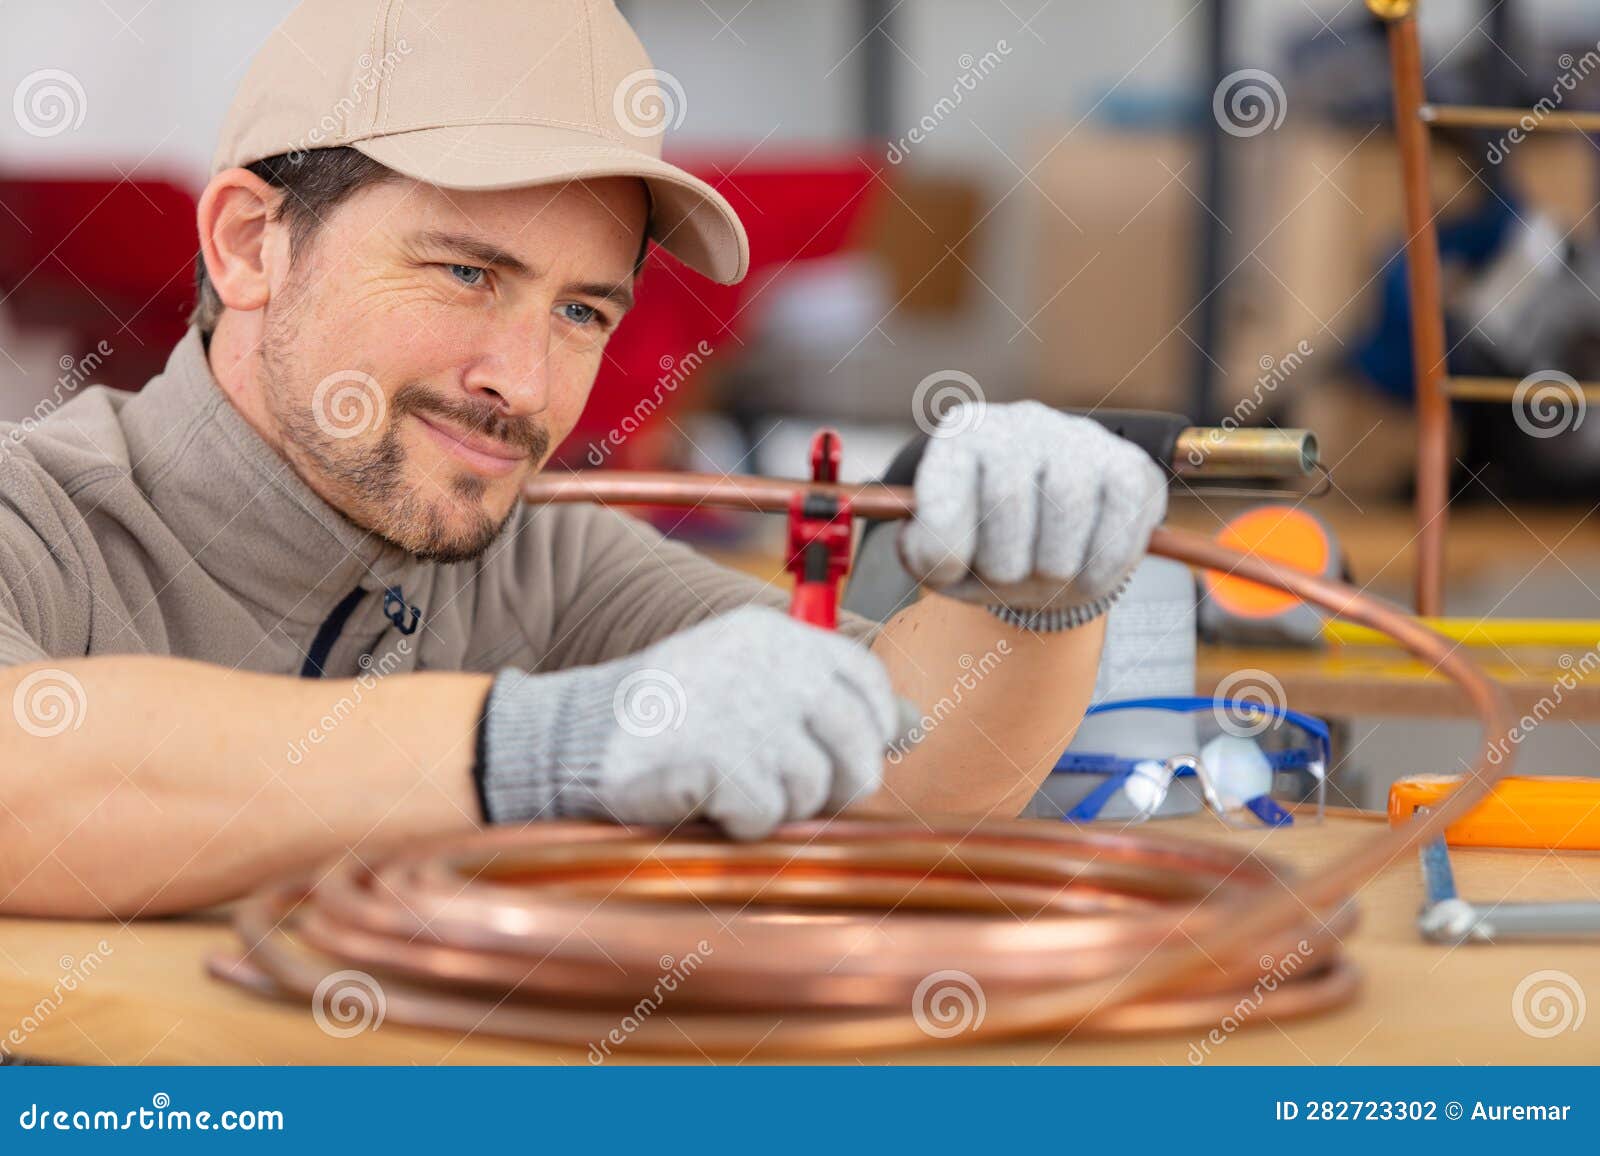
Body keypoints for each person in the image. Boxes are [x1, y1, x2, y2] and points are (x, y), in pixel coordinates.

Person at [0, 0, 1165, 918]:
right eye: (467, 272)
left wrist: (1027, 604)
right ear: (252, 243)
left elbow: (901, 791)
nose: (528, 385)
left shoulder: (545, 566)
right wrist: (542, 745)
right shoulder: (31, 516)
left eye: (584, 313)